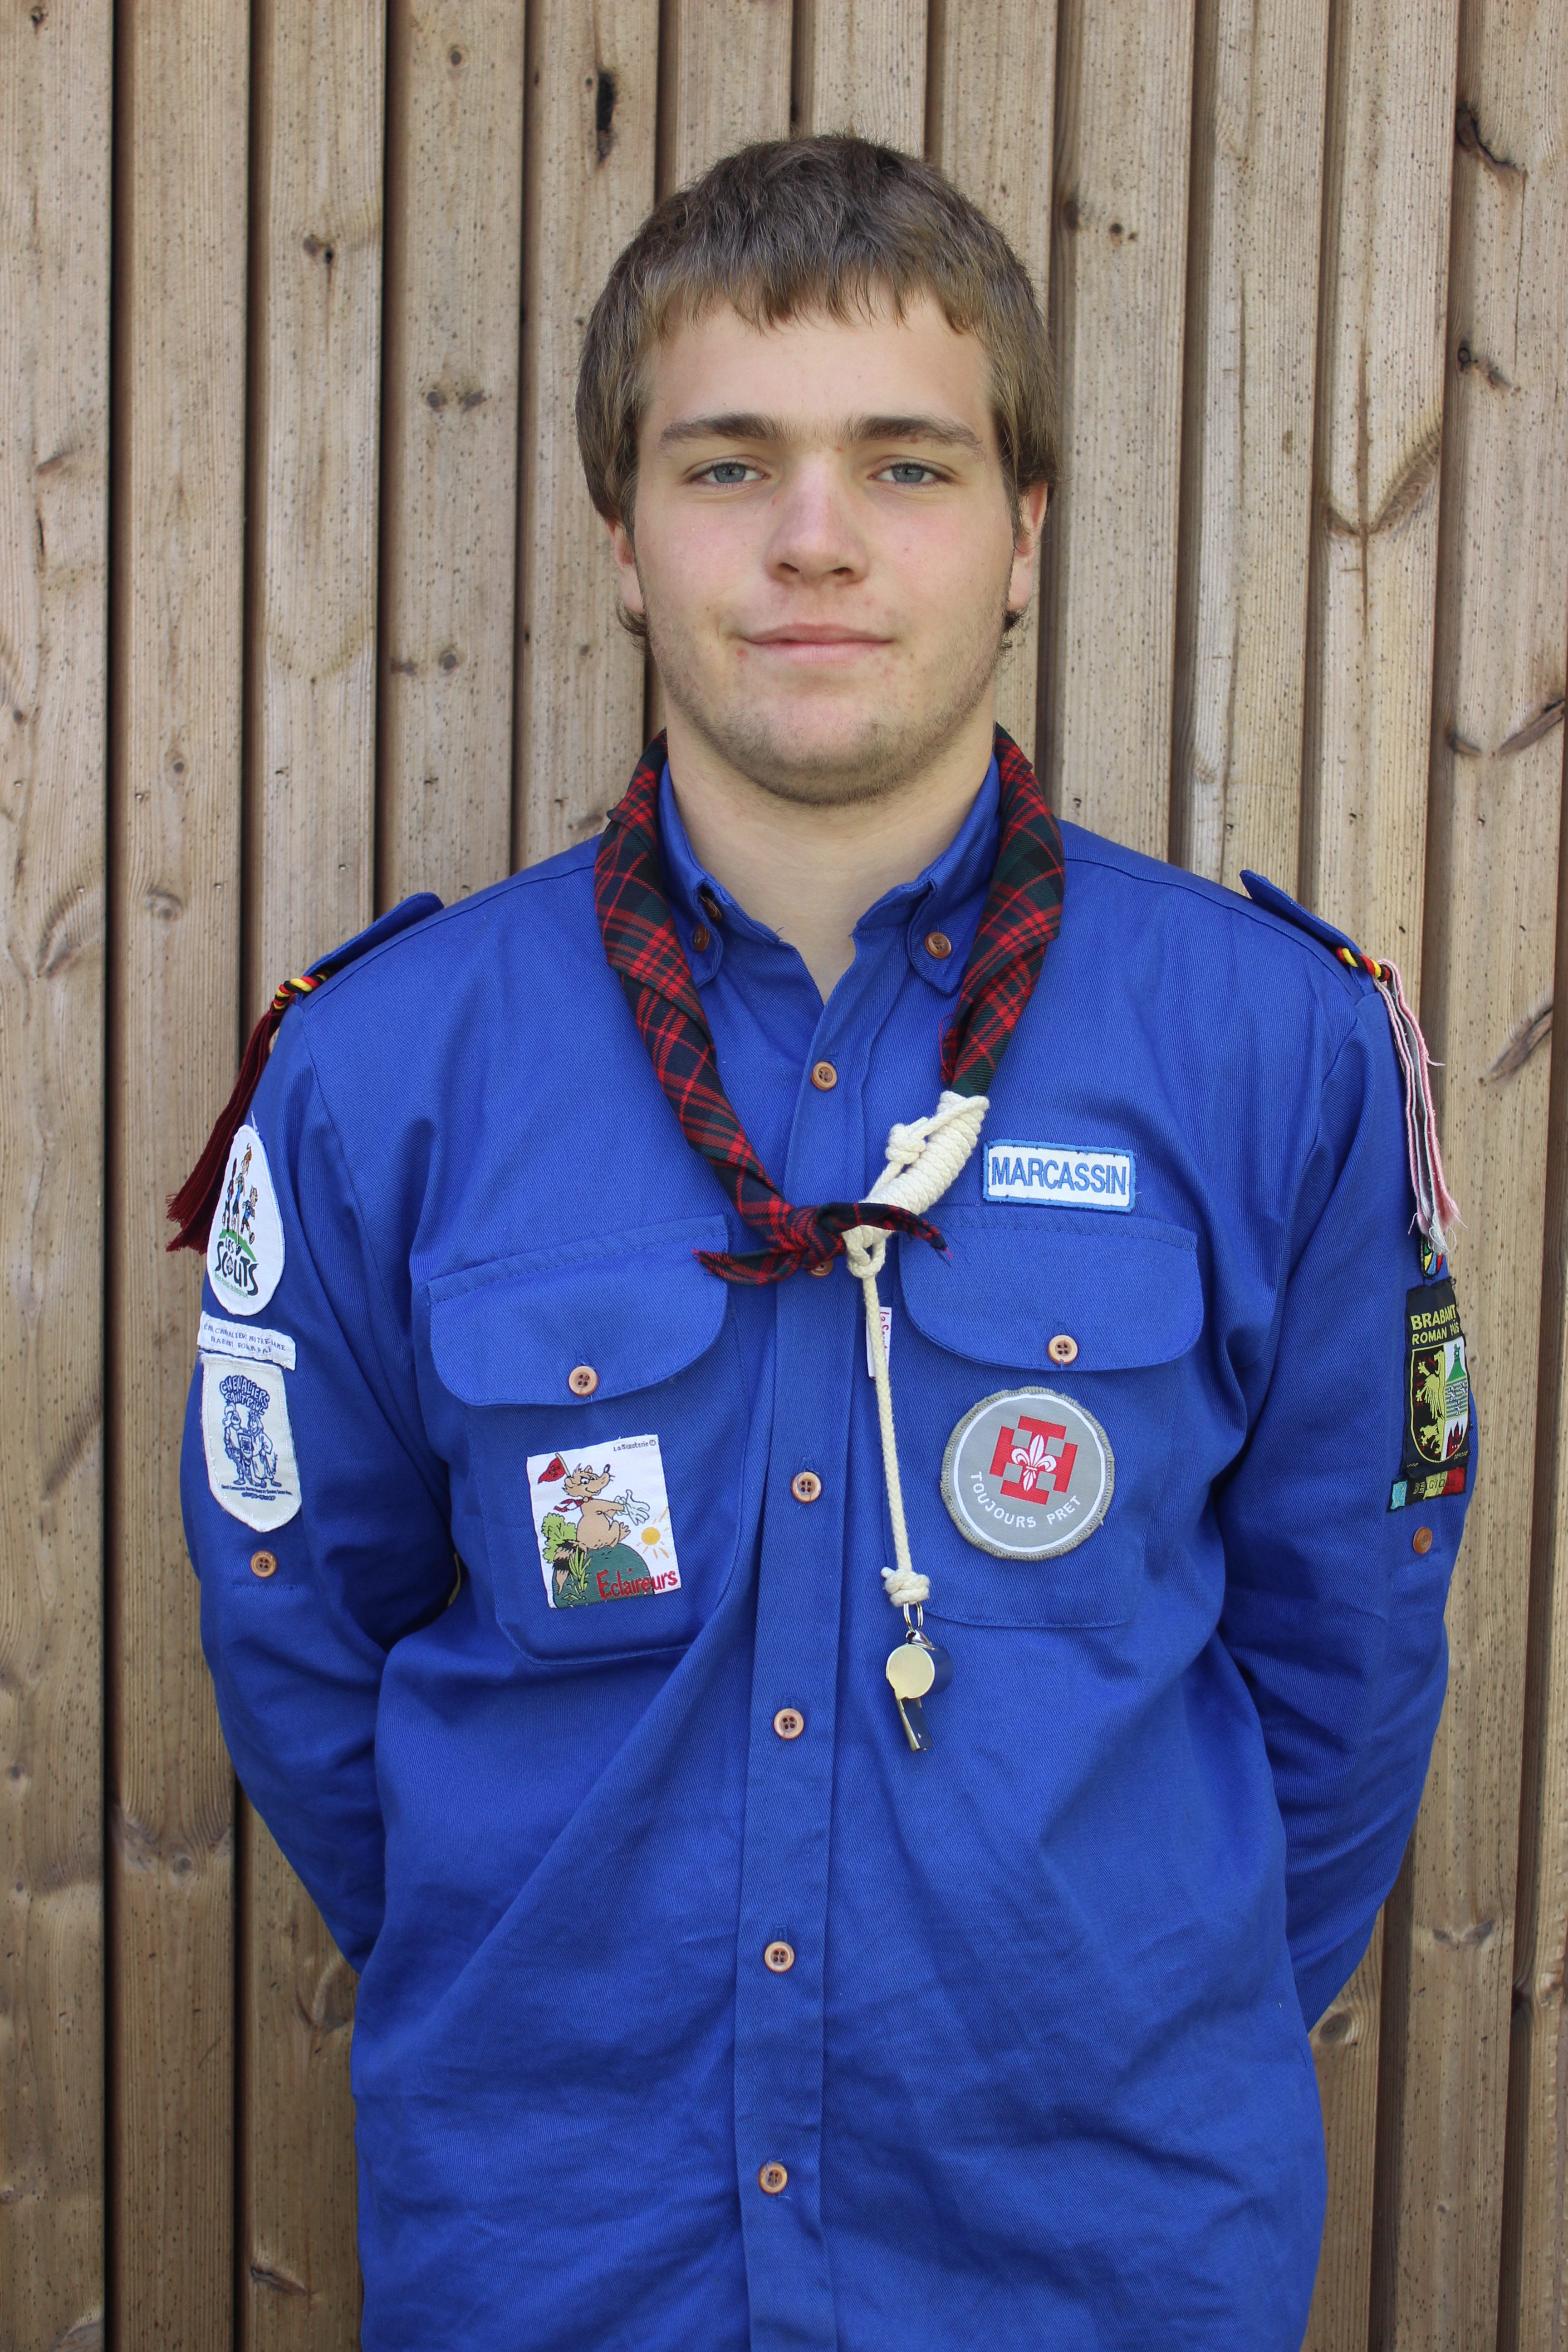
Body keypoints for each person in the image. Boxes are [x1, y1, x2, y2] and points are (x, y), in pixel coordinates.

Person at [177, 136, 1471, 2351]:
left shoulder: (1280, 1054)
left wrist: (1117, 2014)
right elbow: (305, 1633)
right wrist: (542, 1977)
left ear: (1024, 526)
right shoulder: (383, 1072)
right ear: (622, 534)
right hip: (566, 2256)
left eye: (906, 462)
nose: (814, 538)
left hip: (1101, 2262)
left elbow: (1349, 1655)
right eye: (727, 463)